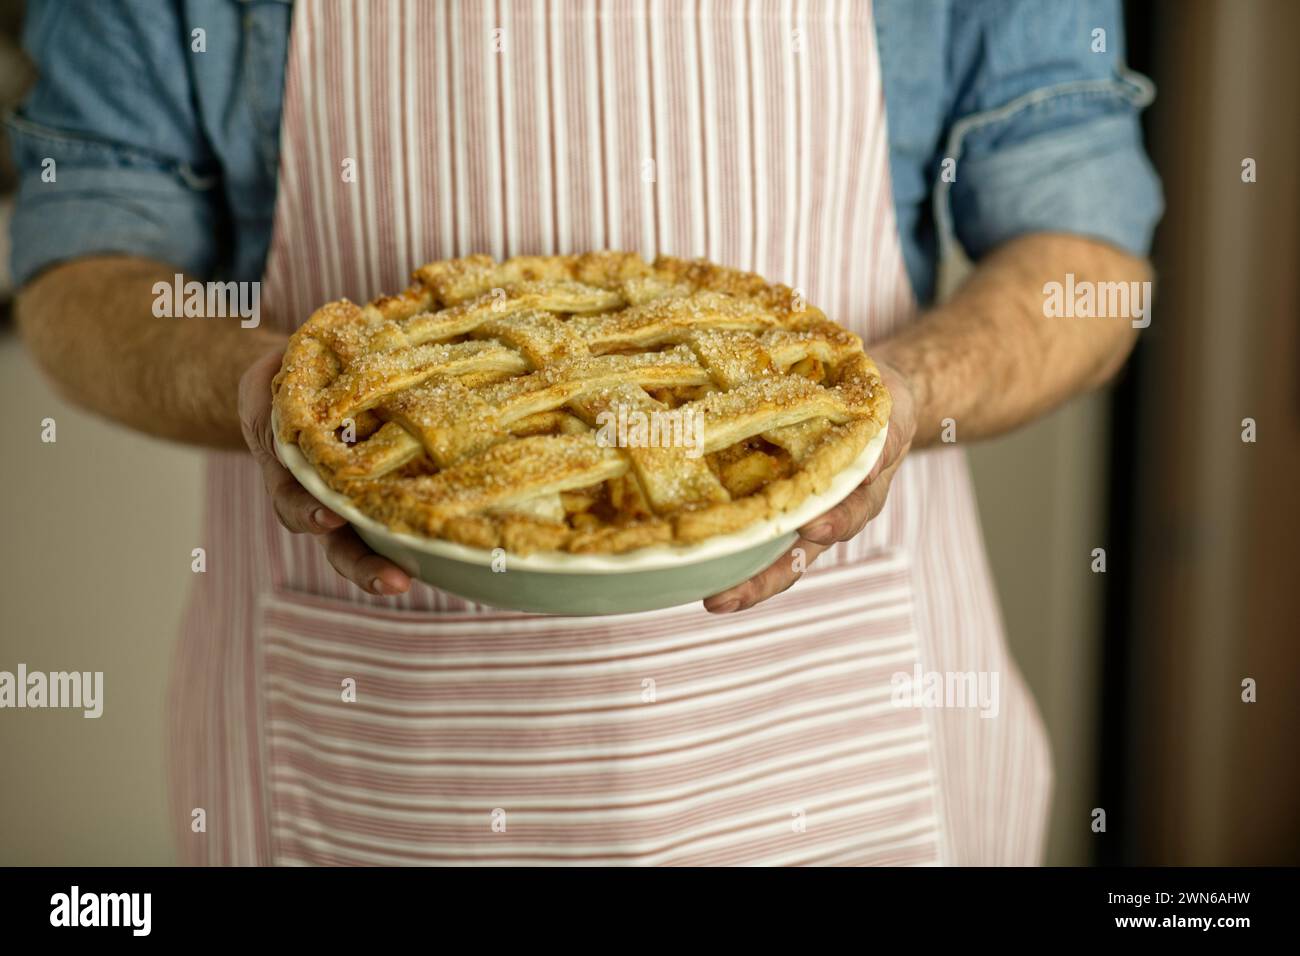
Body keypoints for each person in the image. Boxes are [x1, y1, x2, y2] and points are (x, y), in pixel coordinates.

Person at [10, 0, 1161, 865]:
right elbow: (78, 262)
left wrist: (894, 392)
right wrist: (263, 389)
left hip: (831, 739)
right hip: (372, 756)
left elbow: (1086, 255)